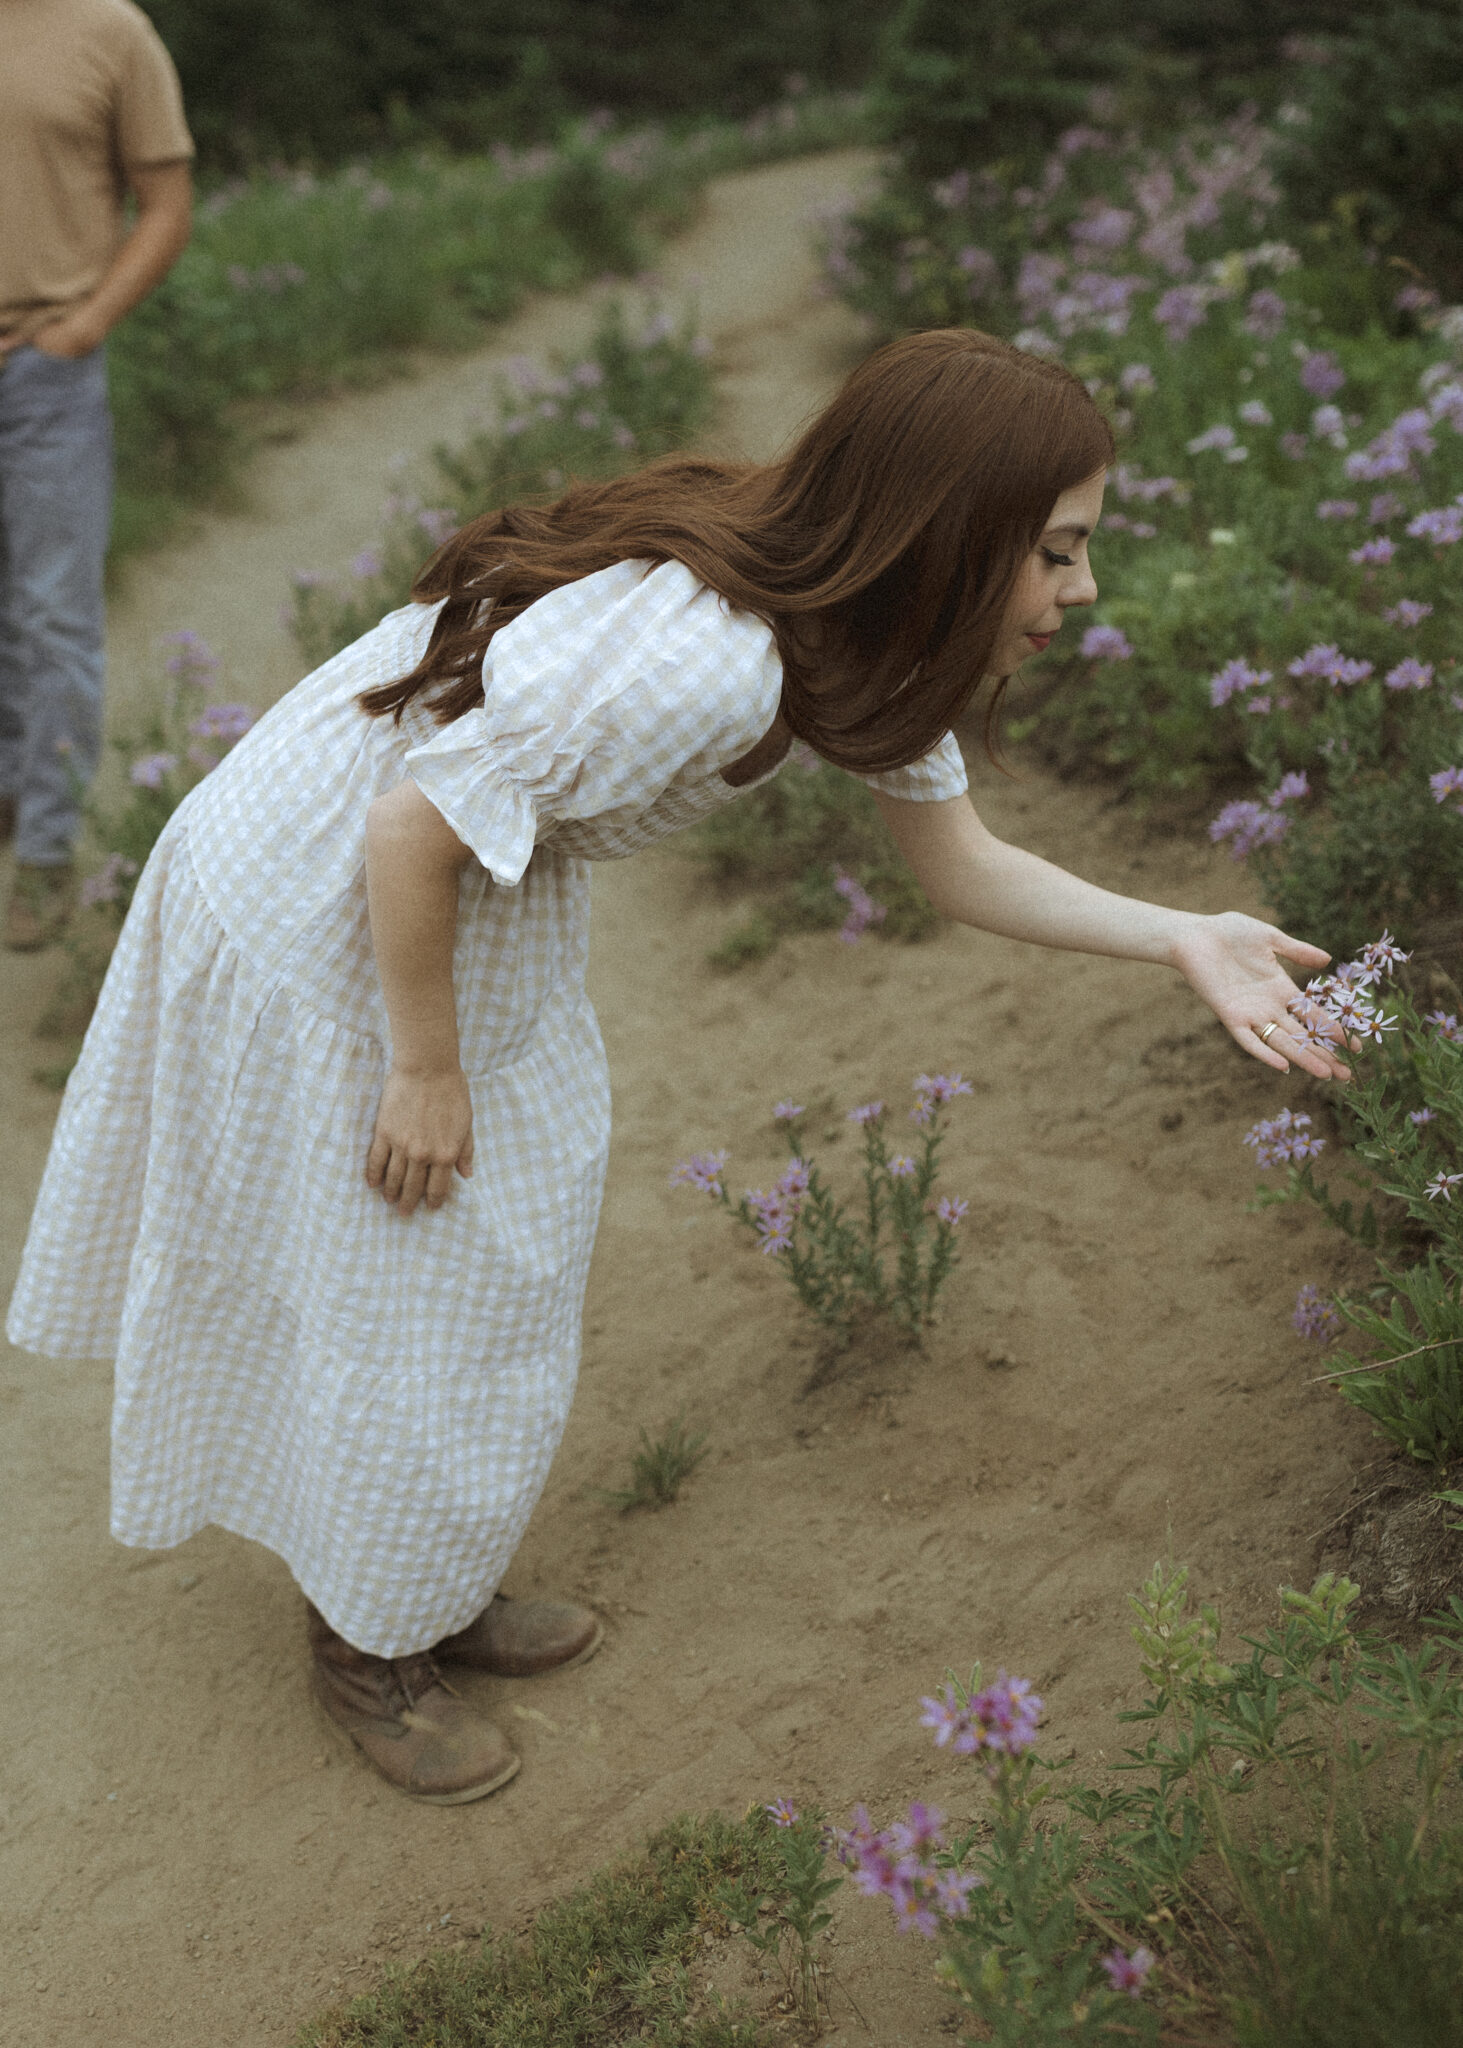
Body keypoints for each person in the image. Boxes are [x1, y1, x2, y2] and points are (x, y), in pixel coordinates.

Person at [5, 329, 1348, 1804]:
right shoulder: (711, 668)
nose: (1079, 591)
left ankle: (414, 1583)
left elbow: (961, 866)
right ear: (946, 538)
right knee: (407, 1272)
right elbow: (408, 828)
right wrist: (424, 1068)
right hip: (323, 899)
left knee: (489, 1258)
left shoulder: (855, 636)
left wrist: (1179, 938)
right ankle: (370, 1640)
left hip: (443, 889)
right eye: (1055, 552)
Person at [0, 0, 194, 950]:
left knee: (50, 610)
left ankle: (45, 851)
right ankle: (10, 787)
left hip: (46, 372)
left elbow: (165, 203)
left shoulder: (111, 31)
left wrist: (82, 328)